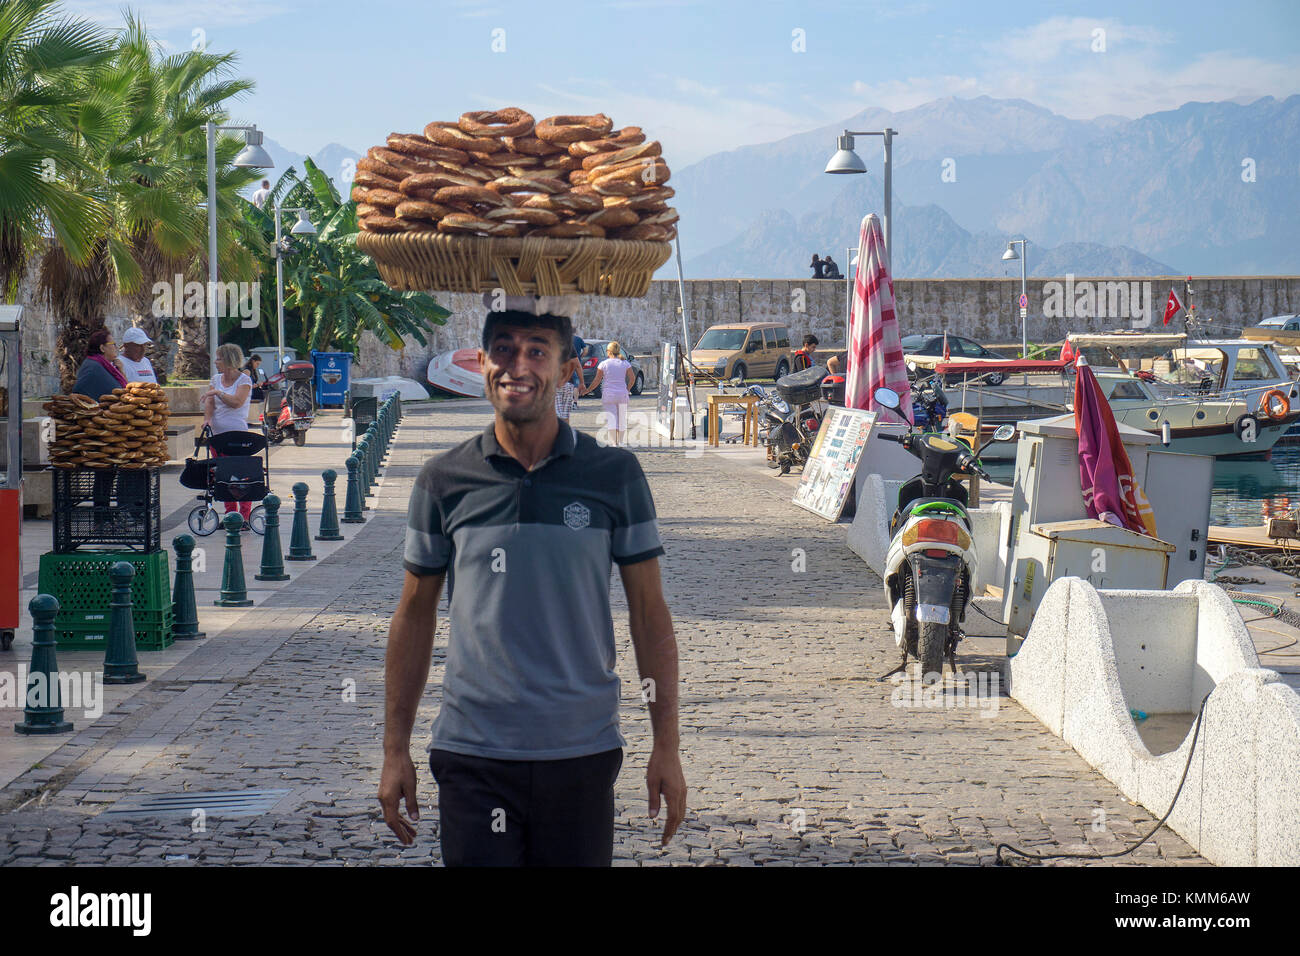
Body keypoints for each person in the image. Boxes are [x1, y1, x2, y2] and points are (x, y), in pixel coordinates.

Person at [380, 305, 686, 866]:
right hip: (472, 755)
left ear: (568, 370)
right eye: (503, 349)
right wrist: (394, 748)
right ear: (480, 362)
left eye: (537, 351)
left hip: (582, 753)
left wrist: (666, 742)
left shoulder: (613, 476)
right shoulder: (443, 480)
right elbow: (414, 615)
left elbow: (649, 614)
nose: (517, 365)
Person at [200, 343, 254, 524]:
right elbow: (209, 402)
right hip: (217, 435)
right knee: (223, 476)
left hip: (237, 436)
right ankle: (230, 515)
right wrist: (207, 419)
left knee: (240, 476)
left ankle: (245, 516)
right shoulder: (216, 379)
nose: (215, 362)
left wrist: (218, 392)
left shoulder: (244, 381)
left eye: (219, 358)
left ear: (229, 360)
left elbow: (237, 402)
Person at [582, 341, 635, 447]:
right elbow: (632, 378)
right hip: (622, 394)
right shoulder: (625, 363)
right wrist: (627, 389)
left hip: (609, 394)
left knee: (612, 418)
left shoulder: (603, 364)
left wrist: (587, 390)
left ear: (609, 352)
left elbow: (596, 381)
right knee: (621, 418)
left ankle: (614, 442)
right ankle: (621, 441)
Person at [72, 329, 129, 399]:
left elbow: (124, 389)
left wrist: (121, 370)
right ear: (102, 348)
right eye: (113, 344)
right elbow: (78, 391)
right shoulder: (92, 367)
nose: (116, 347)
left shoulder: (105, 365)